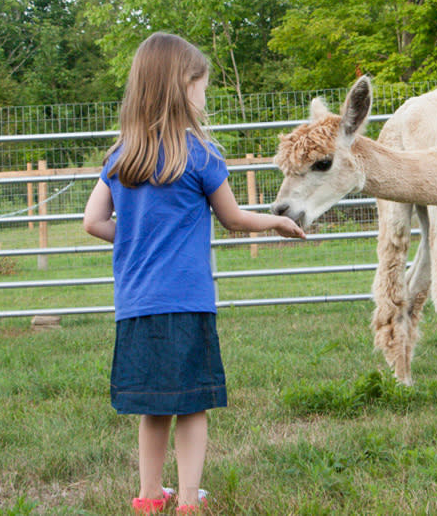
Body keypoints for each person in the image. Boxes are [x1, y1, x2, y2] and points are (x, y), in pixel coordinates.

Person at [83, 32, 305, 514]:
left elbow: (92, 222)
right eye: (202, 85)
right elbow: (234, 219)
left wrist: (137, 237)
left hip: (136, 306)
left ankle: (146, 497)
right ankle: (187, 500)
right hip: (187, 301)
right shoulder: (201, 155)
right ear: (182, 87)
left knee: (153, 406)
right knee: (192, 405)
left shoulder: (120, 157)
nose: (205, 96)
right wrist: (277, 221)